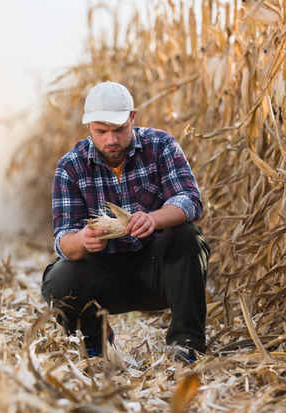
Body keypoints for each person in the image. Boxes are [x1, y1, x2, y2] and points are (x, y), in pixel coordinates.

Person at [40, 81, 210, 363]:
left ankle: (187, 345)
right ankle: (95, 340)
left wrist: (153, 219)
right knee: (57, 280)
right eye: (101, 131)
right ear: (88, 126)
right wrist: (82, 240)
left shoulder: (161, 145)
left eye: (119, 129)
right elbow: (63, 240)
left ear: (132, 117)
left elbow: (190, 199)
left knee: (188, 237)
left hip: (157, 270)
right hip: (104, 274)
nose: (111, 140)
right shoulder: (70, 167)